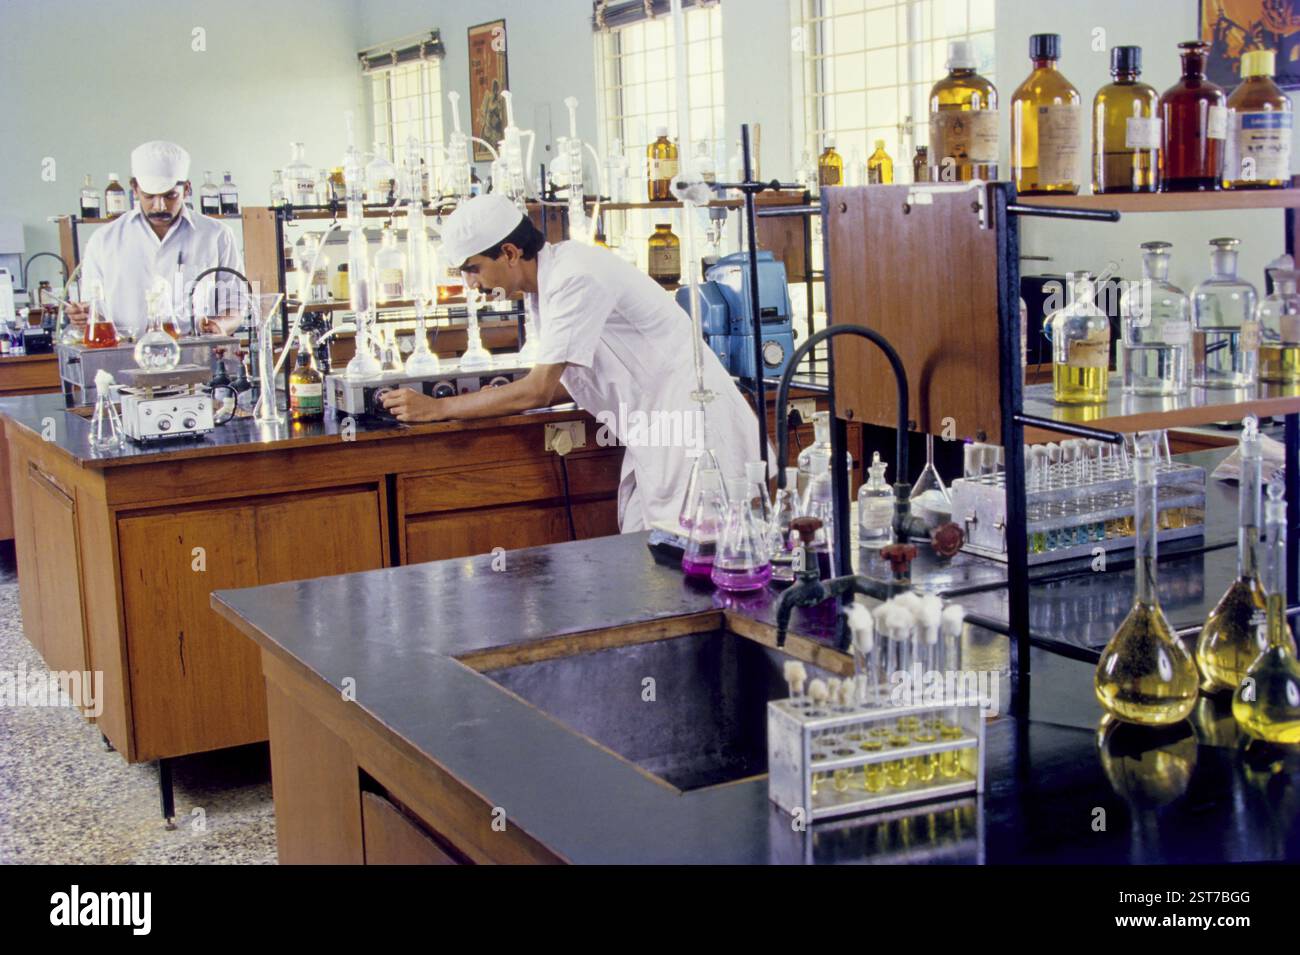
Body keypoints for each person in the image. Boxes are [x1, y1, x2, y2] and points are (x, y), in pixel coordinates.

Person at [381, 193, 763, 533]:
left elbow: (538, 389)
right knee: (656, 575)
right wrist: (492, 397)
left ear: (510, 253)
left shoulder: (574, 276)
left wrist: (439, 408)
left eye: (473, 269)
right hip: (661, 436)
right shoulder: (546, 284)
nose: (470, 284)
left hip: (695, 434)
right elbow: (570, 378)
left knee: (699, 579)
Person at [66, 140, 245, 338]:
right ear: (134, 188)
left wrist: (221, 325)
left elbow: (235, 304)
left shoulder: (217, 235)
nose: (159, 206)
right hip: (126, 357)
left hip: (197, 355)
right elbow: (93, 310)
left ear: (186, 189)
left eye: (170, 196)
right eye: (149, 196)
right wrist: (83, 317)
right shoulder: (103, 241)